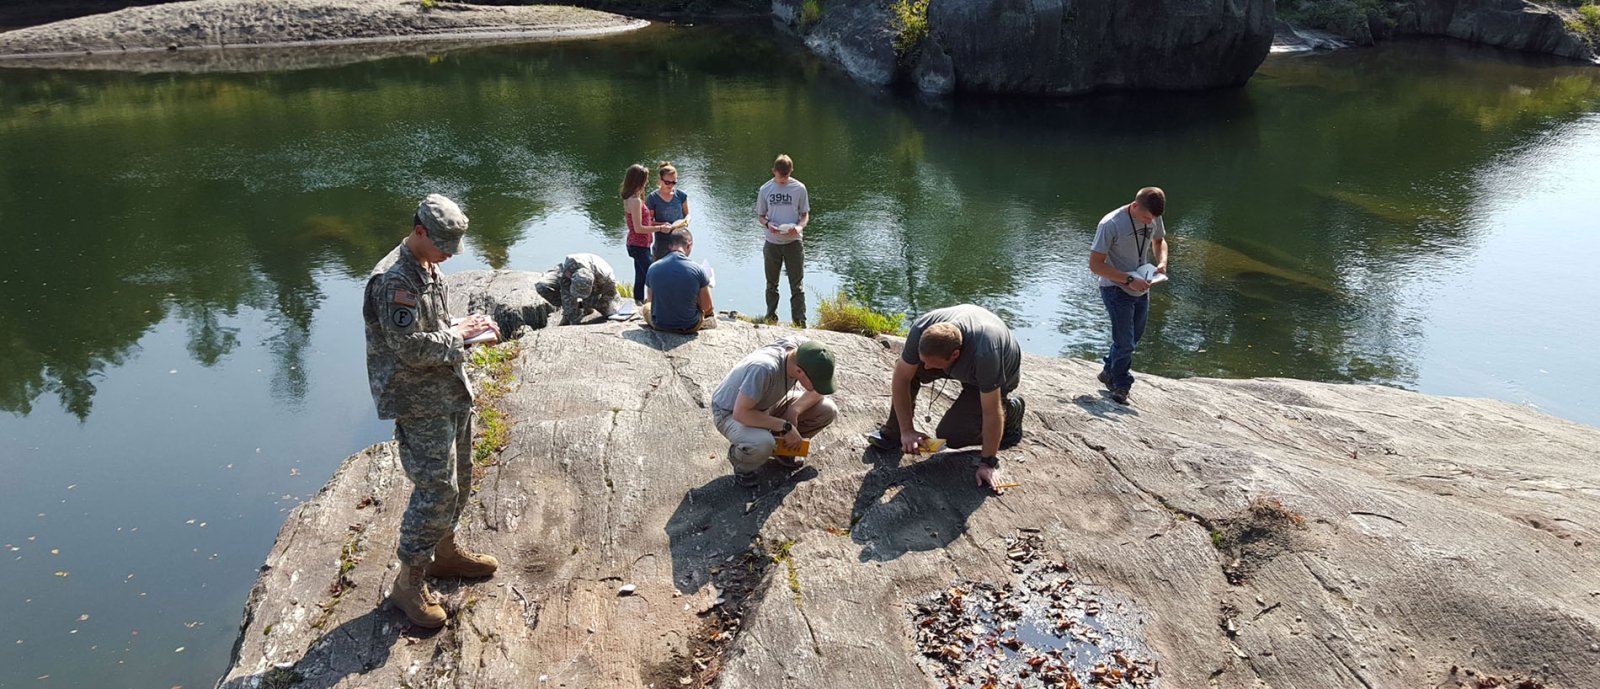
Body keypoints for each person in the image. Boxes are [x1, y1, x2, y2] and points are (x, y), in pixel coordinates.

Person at [363, 194, 502, 629]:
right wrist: (459, 336)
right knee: (436, 488)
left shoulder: (427, 266)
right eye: (442, 243)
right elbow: (407, 348)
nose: (448, 254)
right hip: (417, 400)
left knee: (460, 476)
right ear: (419, 231)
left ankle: (445, 553)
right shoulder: (393, 280)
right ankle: (409, 581)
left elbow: (434, 326)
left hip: (448, 389)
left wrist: (470, 329)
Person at [867, 304, 1024, 495]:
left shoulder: (986, 353)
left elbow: (991, 411)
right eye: (923, 359)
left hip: (998, 374)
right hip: (961, 359)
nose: (924, 366)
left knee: (952, 436)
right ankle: (894, 432)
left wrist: (988, 463)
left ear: (955, 355)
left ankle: (1011, 410)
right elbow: (902, 378)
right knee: (912, 371)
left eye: (930, 363)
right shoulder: (921, 329)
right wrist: (906, 430)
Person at [710, 336, 838, 487]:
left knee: (828, 410)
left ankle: (784, 450)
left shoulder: (804, 351)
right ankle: (741, 460)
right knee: (762, 443)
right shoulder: (764, 368)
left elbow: (820, 390)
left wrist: (794, 410)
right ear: (799, 371)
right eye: (815, 381)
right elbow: (741, 413)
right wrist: (785, 426)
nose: (818, 385)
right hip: (731, 412)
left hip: (767, 403)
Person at [1088, 187, 1169, 405]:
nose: (1148, 222)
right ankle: (1121, 385)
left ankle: (1108, 371)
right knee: (1125, 342)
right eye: (1145, 218)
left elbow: (1159, 242)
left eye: (1152, 219)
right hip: (1115, 288)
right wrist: (1128, 279)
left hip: (1142, 284)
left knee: (1133, 337)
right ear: (1134, 206)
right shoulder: (1110, 224)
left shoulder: (1152, 216)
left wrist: (1161, 263)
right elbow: (1095, 265)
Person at [755, 154, 810, 327]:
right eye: (780, 177)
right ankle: (771, 319)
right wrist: (768, 224)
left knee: (797, 285)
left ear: (791, 171)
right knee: (772, 284)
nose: (783, 180)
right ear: (774, 171)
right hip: (772, 243)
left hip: (793, 242)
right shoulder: (765, 189)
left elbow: (805, 214)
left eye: (786, 176)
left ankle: (800, 322)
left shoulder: (799, 188)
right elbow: (760, 216)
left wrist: (799, 227)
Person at [642, 229, 716, 333]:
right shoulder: (698, 269)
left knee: (646, 307)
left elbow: (650, 301)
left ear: (669, 246)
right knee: (703, 287)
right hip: (690, 326)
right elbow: (706, 306)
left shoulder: (653, 267)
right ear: (689, 245)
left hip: (660, 324)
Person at [536, 253, 621, 326]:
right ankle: (575, 310)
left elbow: (610, 295)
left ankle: (586, 306)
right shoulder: (569, 269)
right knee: (570, 311)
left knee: (608, 312)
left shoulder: (606, 278)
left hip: (598, 282)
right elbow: (566, 293)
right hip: (573, 270)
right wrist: (571, 313)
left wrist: (587, 304)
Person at [620, 164, 656, 306]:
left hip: (641, 244)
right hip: (638, 245)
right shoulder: (635, 201)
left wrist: (658, 224)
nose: (647, 182)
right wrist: (660, 229)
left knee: (640, 276)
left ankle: (638, 301)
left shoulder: (632, 197)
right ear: (638, 181)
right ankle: (655, 302)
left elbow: (643, 222)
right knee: (653, 274)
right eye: (645, 179)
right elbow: (639, 228)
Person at [646, 161, 691, 261]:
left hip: (680, 240)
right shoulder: (653, 198)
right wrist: (662, 225)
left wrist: (686, 221)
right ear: (660, 180)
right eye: (667, 182)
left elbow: (687, 214)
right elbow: (648, 221)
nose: (671, 185)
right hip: (662, 241)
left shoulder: (681, 195)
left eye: (674, 182)